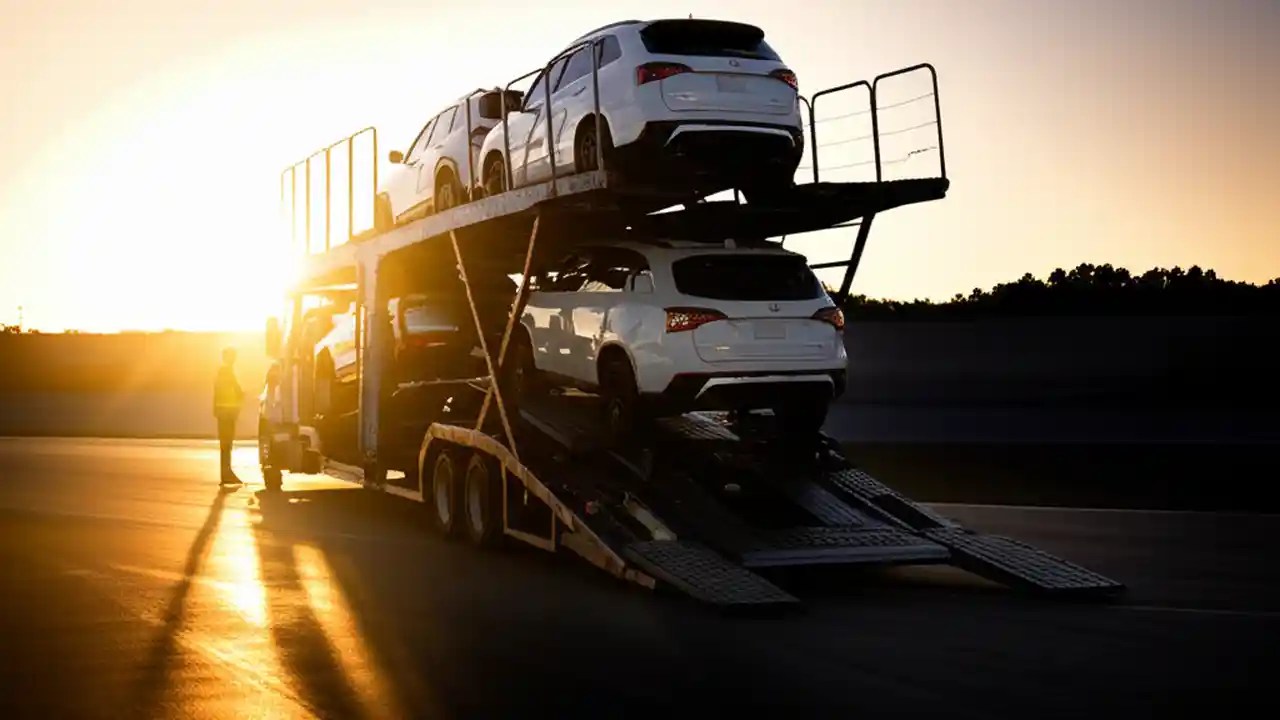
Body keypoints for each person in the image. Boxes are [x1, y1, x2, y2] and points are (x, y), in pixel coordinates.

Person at [213, 346, 245, 485]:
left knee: (225, 444)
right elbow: (236, 389)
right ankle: (226, 473)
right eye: (232, 356)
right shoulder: (227, 371)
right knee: (227, 444)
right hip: (227, 413)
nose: (234, 359)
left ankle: (225, 473)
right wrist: (242, 395)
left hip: (224, 412)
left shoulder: (223, 372)